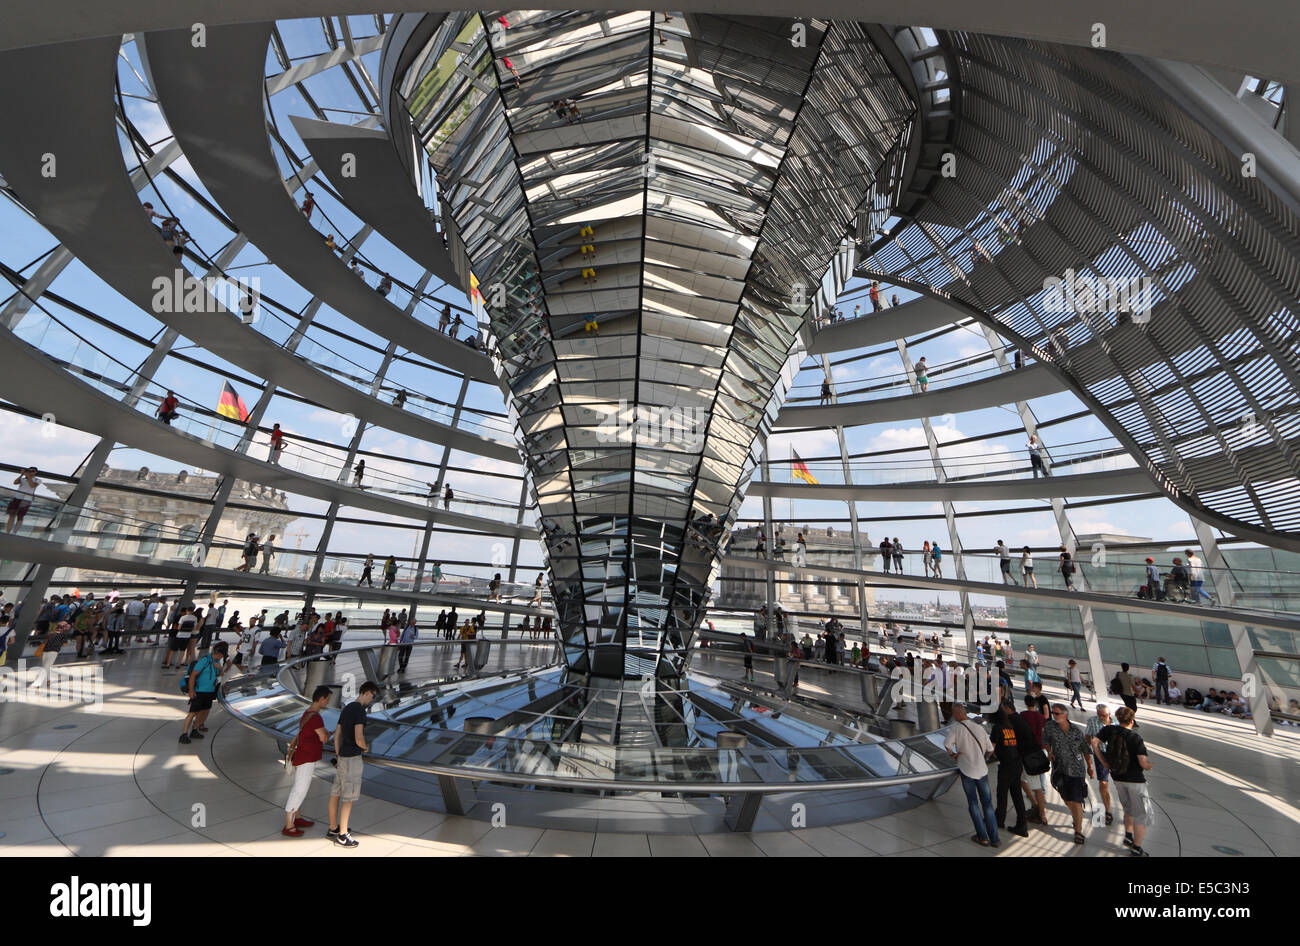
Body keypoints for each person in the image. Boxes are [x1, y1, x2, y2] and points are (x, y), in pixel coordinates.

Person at [1092, 705, 1153, 856]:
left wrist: (1104, 761)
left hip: (1117, 778)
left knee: (1128, 809)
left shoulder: (1109, 730)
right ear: (1132, 720)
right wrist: (1149, 766)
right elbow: (1143, 763)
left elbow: (1094, 742)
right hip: (1136, 781)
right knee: (1141, 815)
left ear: (1118, 718)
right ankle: (1137, 847)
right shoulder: (1135, 738)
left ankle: (1128, 836)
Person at [328, 680, 379, 848]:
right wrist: (365, 747)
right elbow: (359, 737)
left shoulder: (348, 708)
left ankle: (333, 828)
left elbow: (337, 735)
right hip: (352, 759)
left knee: (335, 792)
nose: (371, 700)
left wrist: (338, 754)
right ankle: (343, 835)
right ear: (366, 692)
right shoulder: (360, 711)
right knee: (348, 798)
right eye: (372, 696)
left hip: (342, 757)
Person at [943, 703, 999, 847]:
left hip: (966, 770)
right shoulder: (979, 728)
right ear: (965, 713)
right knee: (987, 804)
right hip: (982, 770)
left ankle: (982, 837)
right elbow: (990, 748)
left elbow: (947, 744)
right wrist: (983, 758)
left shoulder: (955, 728)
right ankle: (995, 838)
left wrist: (954, 755)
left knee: (973, 803)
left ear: (956, 714)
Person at [282, 685, 333, 837]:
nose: (327, 702)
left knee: (299, 788)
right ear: (322, 698)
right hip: (307, 758)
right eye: (327, 699)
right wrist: (327, 734)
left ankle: (297, 818)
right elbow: (323, 737)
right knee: (300, 790)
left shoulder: (308, 713)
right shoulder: (316, 717)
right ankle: (289, 825)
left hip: (303, 755)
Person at [1042, 703, 1093, 844]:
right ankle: (1077, 815)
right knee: (1066, 797)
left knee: (1076, 799)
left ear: (1065, 715)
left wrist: (1090, 766)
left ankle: (1078, 830)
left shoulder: (1076, 730)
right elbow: (1045, 741)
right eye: (1053, 713)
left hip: (1077, 770)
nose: (1054, 715)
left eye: (1057, 713)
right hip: (1060, 769)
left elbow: (1085, 749)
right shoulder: (1050, 727)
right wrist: (1049, 751)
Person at [987, 701, 1031, 838]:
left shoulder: (997, 728)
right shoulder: (1009, 727)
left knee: (1002, 794)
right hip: (1016, 764)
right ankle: (1022, 825)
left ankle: (999, 820)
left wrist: (986, 758)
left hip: (1006, 765)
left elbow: (991, 748)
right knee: (1017, 795)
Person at [179, 642, 230, 744]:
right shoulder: (205, 660)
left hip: (210, 691)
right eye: (222, 655)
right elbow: (193, 675)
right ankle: (184, 734)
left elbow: (219, 675)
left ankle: (195, 730)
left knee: (204, 711)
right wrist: (191, 691)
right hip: (199, 691)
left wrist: (220, 669)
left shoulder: (216, 662)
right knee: (193, 712)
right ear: (219, 654)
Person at [1083, 704, 1115, 825]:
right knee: (1103, 782)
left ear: (1109, 715)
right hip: (1100, 754)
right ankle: (1108, 811)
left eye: (1104, 715)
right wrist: (1088, 754)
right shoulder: (1092, 721)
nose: (1101, 717)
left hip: (1114, 754)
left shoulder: (1116, 722)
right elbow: (1087, 736)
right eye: (1099, 715)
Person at [1019, 695, 1049, 823]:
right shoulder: (1041, 717)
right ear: (1036, 704)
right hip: (1039, 750)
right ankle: (1042, 813)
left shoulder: (1023, 716)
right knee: (1037, 784)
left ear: (1026, 703)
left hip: (1028, 752)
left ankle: (1037, 807)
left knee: (1023, 780)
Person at [4, 466, 40, 532]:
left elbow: (32, 486)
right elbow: (15, 482)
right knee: (11, 515)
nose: (31, 472)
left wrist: (28, 476)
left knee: (20, 516)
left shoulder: (37, 480)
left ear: (36, 472)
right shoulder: (23, 479)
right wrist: (22, 475)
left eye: (33, 471)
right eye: (30, 471)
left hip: (27, 499)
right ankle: (7, 531)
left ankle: (15, 532)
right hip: (17, 497)